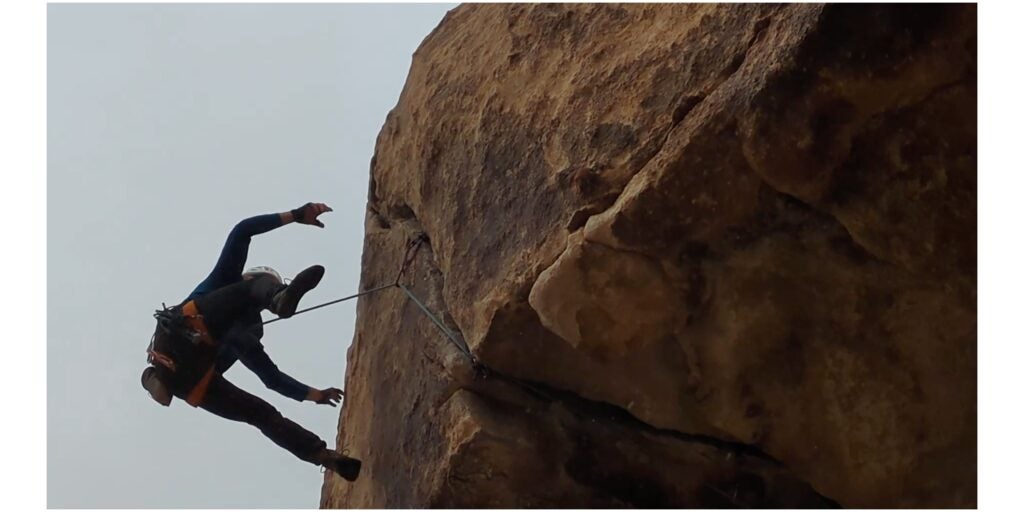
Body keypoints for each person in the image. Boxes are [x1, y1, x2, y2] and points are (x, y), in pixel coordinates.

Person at [141, 202, 361, 481]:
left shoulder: (248, 329)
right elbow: (272, 378)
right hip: (184, 335)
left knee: (262, 415)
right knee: (263, 416)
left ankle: (326, 457)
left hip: (187, 375)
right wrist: (295, 215)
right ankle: (278, 300)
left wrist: (315, 394)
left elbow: (242, 230)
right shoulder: (230, 286)